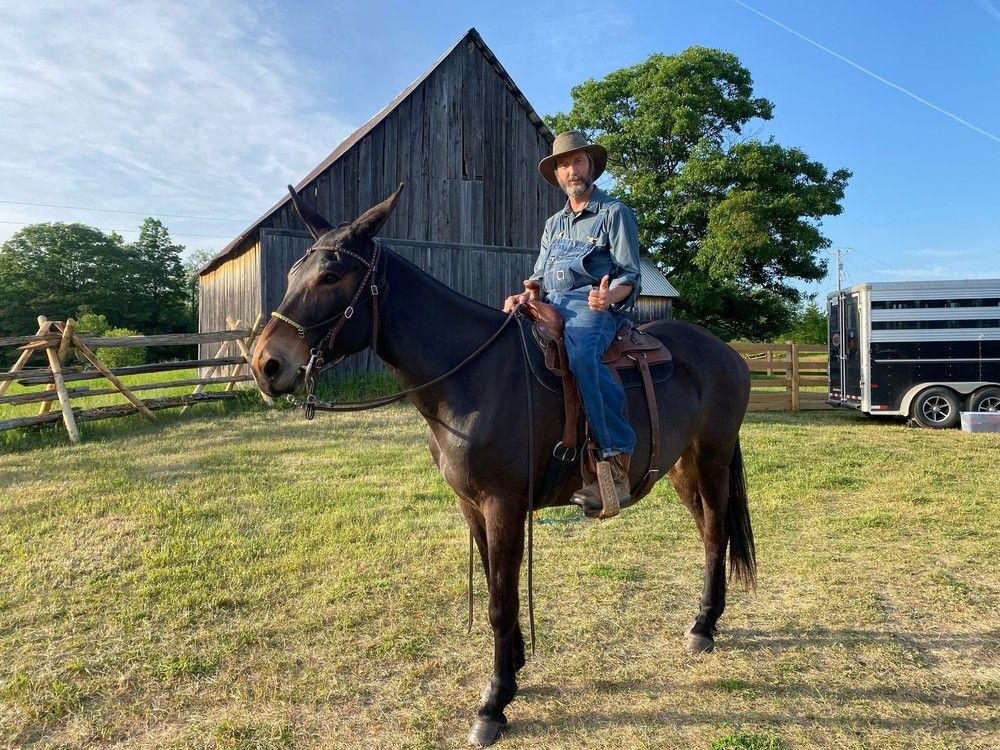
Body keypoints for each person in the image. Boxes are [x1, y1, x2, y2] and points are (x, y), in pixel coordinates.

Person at [504, 130, 642, 512]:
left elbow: (631, 274)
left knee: (582, 356)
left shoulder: (615, 213)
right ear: (557, 174)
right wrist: (526, 294)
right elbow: (540, 276)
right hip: (552, 302)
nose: (571, 169)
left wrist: (608, 295)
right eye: (564, 164)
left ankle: (615, 462)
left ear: (590, 166)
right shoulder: (553, 224)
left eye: (578, 161)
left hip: (591, 305)